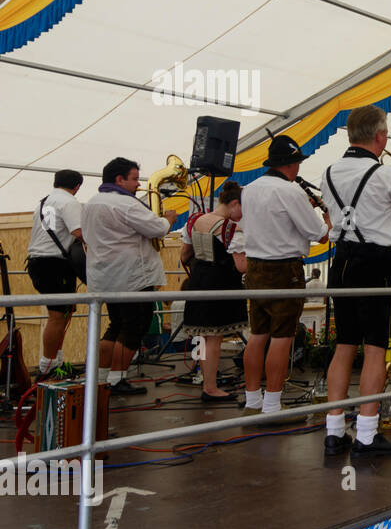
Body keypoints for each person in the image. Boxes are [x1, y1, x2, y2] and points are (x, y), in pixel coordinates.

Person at [320, 106, 391, 456]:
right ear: (380, 137)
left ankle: (334, 432)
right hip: (377, 264)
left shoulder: (329, 172)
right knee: (375, 348)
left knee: (344, 345)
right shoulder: (387, 176)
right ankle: (367, 435)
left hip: (342, 262)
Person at [240, 135, 330, 416]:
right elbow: (319, 235)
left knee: (257, 335)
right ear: (293, 164)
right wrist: (328, 219)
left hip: (255, 267)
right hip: (284, 269)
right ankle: (272, 405)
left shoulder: (249, 189)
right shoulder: (291, 192)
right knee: (282, 337)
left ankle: (253, 400)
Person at [81, 157, 177, 396]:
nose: (138, 185)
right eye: (134, 179)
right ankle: (117, 378)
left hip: (105, 276)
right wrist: (169, 220)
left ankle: (101, 378)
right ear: (119, 179)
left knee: (116, 325)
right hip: (131, 276)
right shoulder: (125, 203)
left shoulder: (91, 203)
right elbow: (156, 228)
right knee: (134, 326)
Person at [177, 181, 247, 401]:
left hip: (199, 279)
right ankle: (210, 387)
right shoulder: (230, 229)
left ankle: (206, 381)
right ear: (234, 204)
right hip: (221, 282)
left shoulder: (194, 220)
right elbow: (241, 266)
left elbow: (184, 256)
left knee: (204, 335)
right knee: (214, 338)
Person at [26, 169, 85, 380]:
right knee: (57, 316)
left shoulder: (44, 202)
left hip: (40, 262)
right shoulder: (69, 202)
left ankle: (56, 362)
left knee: (62, 314)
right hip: (53, 263)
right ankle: (47, 366)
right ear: (77, 186)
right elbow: (79, 232)